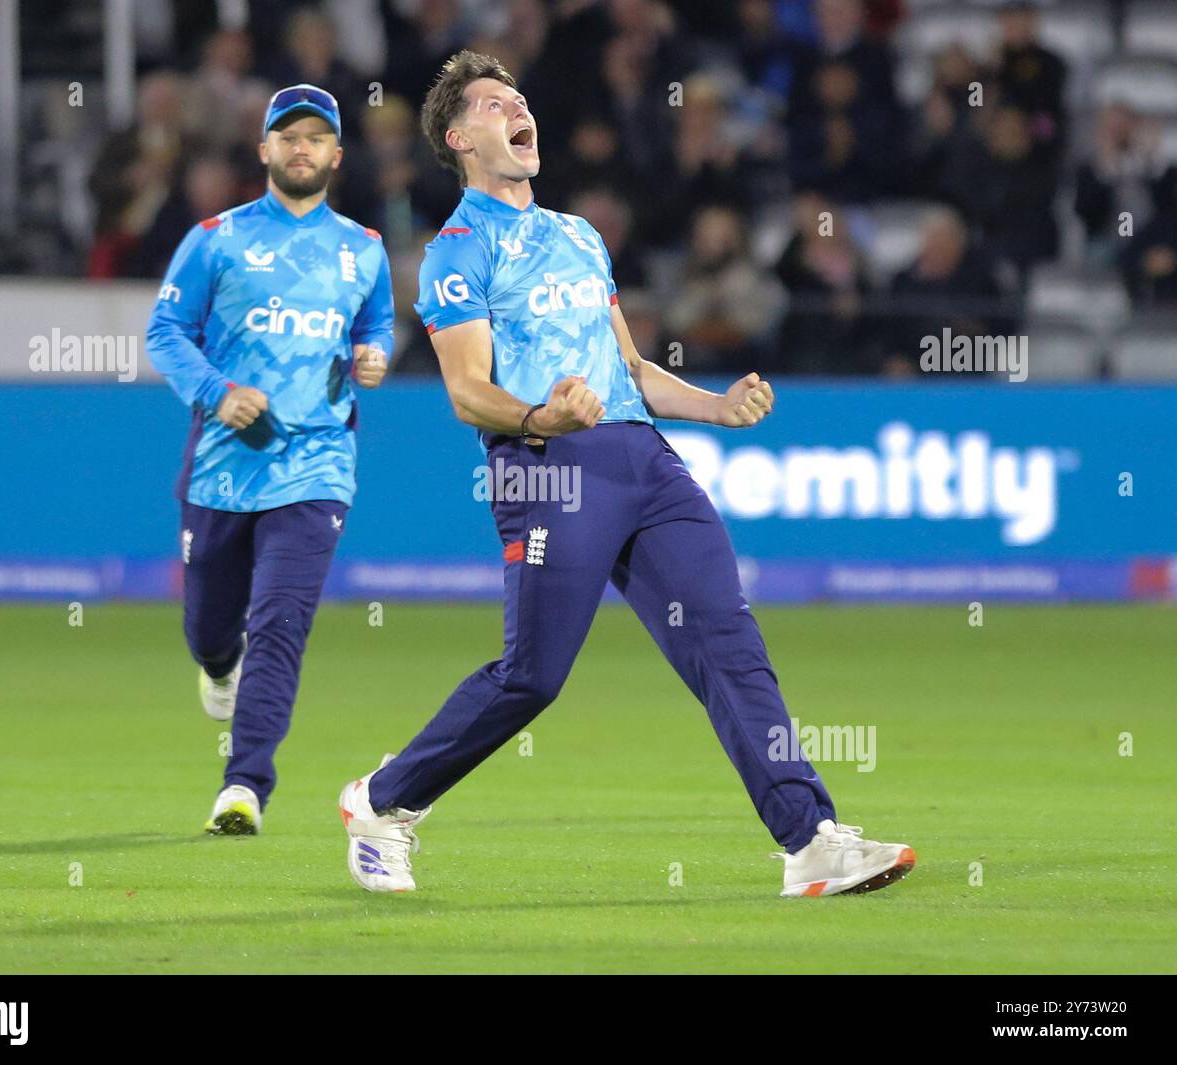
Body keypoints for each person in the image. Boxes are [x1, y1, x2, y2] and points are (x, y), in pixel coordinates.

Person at [337, 51, 914, 898]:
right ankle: (383, 800)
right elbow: (466, 391)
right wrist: (543, 418)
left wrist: (716, 407)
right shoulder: (455, 254)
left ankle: (811, 840)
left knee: (730, 642)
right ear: (459, 137)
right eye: (494, 105)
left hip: (645, 462)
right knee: (532, 676)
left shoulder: (580, 237)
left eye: (519, 98)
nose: (516, 109)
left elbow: (632, 370)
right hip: (546, 469)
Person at [146, 85, 394, 834]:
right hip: (223, 464)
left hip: (317, 463)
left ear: (336, 156)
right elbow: (165, 333)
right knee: (211, 629)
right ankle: (218, 664)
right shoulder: (215, 238)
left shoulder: (365, 248)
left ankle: (245, 784)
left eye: (317, 137)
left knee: (281, 623)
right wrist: (217, 393)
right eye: (288, 136)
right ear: (263, 150)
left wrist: (375, 352)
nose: (302, 148)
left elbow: (376, 322)